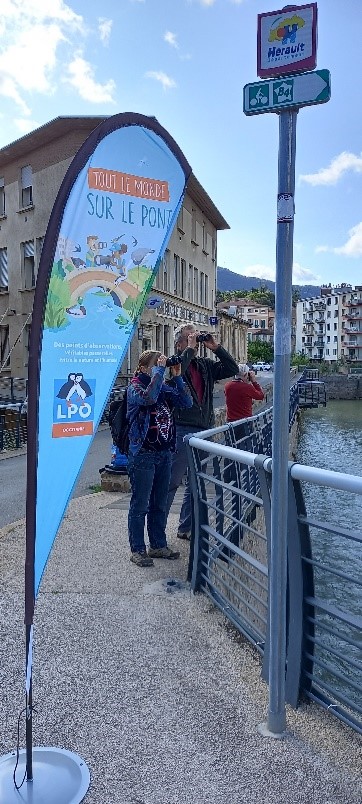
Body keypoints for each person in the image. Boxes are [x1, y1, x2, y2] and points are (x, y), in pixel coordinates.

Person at [166, 324, 239, 540]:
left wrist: (216, 348)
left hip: (203, 430)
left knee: (195, 483)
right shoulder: (174, 362)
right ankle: (157, 534)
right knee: (172, 481)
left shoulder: (205, 366)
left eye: (195, 337)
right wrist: (189, 349)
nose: (194, 341)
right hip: (181, 428)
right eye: (189, 338)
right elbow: (177, 371)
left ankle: (185, 527)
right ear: (179, 343)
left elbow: (232, 369)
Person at [127, 350, 192, 567]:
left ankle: (158, 544)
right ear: (144, 368)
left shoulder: (162, 386)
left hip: (164, 453)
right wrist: (158, 373)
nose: (160, 367)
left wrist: (177, 375)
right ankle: (137, 549)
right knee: (140, 504)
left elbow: (186, 402)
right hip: (143, 454)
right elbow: (149, 398)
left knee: (159, 503)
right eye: (156, 364)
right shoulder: (134, 387)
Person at [224, 363, 265, 440]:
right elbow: (261, 396)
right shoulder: (247, 387)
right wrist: (254, 381)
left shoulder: (227, 386)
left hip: (230, 422)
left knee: (231, 448)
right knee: (245, 448)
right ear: (246, 374)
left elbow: (237, 398)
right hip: (245, 423)